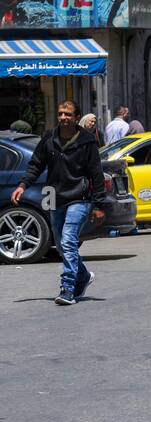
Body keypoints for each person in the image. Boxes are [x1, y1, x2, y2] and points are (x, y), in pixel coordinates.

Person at [10, 101, 107, 304]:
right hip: (53, 195)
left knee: (69, 240)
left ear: (76, 117)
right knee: (62, 245)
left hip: (79, 197)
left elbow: (96, 174)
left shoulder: (87, 141)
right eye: (61, 113)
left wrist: (98, 205)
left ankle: (67, 289)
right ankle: (84, 276)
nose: (63, 117)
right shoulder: (49, 138)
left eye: (68, 114)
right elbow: (36, 164)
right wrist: (22, 185)